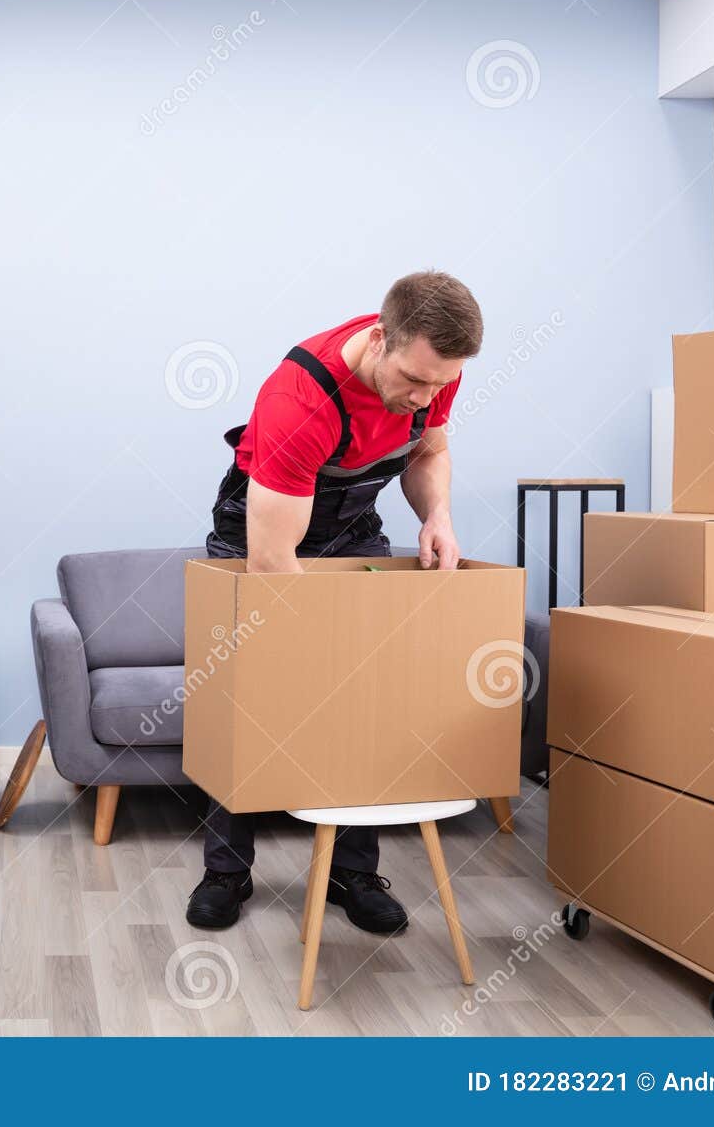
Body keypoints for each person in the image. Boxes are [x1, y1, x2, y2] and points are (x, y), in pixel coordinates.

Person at [186, 270, 482, 933]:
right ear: (379, 340)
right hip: (261, 532)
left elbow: (428, 448)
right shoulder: (301, 400)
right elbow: (272, 559)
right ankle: (225, 870)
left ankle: (353, 871)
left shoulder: (435, 364)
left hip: (350, 526)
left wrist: (437, 516)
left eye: (438, 384)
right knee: (251, 690)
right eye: (413, 380)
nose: (424, 395)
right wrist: (314, 650)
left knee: (364, 692)